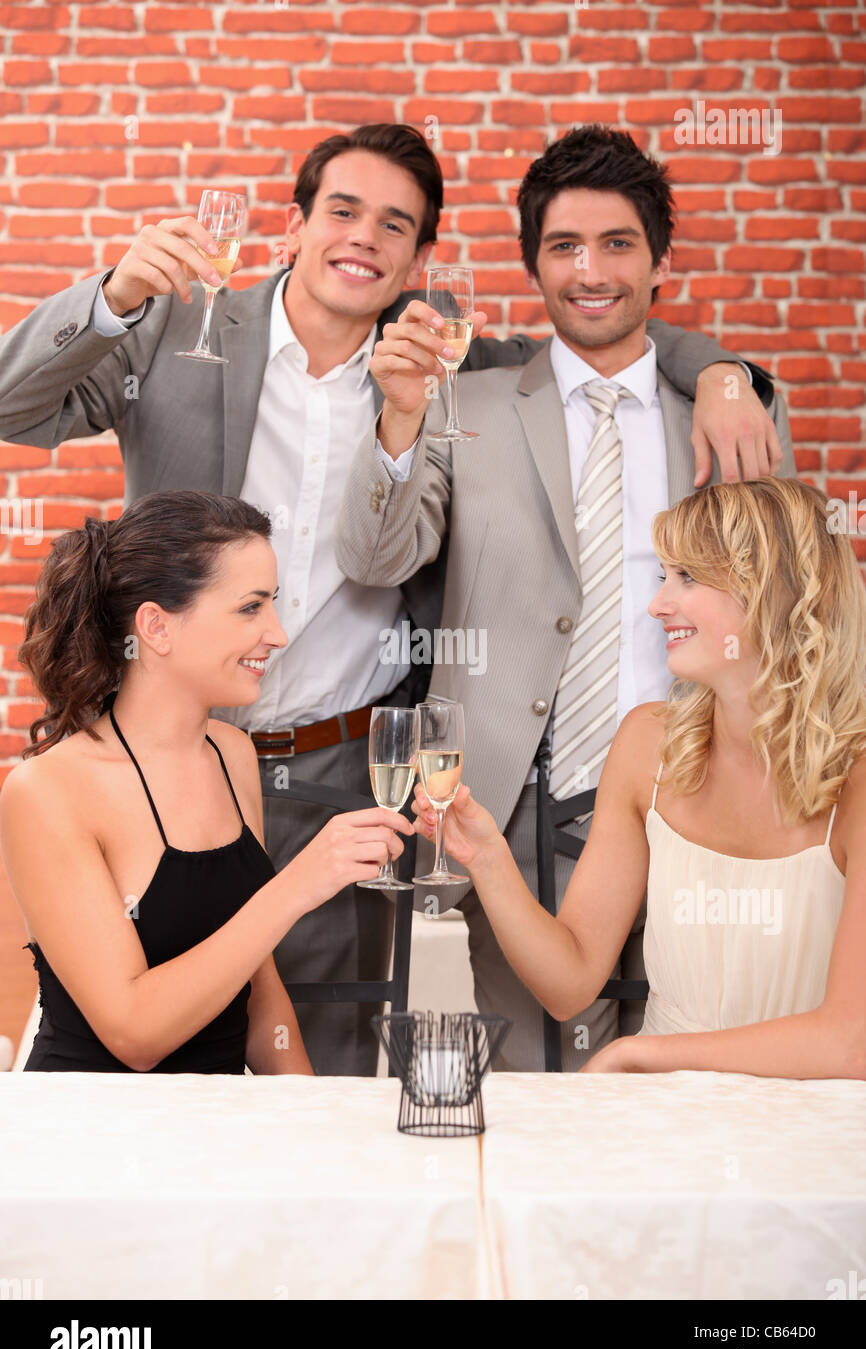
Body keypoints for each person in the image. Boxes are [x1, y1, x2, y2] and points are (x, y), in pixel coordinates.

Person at [0, 122, 785, 1075]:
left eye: (395, 224)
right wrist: (115, 296)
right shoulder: (177, 329)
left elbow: (600, 334)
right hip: (180, 753)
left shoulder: (445, 365)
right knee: (144, 1024)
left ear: (420, 259)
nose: (364, 238)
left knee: (321, 1055)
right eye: (342, 211)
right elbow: (11, 404)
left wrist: (724, 374)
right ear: (294, 225)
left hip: (346, 762)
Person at [336, 124, 797, 1072]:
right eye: (563, 247)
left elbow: (775, 601)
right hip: (513, 807)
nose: (590, 272)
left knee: (691, 1072)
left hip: (697, 796)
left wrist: (725, 372)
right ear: (533, 264)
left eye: (617, 244)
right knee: (536, 1100)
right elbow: (377, 559)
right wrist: (399, 420)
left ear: (660, 260)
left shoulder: (728, 413)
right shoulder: (464, 402)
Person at [411, 478, 866, 1081]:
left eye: (689, 578)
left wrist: (644, 1053)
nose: (657, 605)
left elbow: (849, 1045)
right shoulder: (649, 745)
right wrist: (488, 857)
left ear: (773, 593)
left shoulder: (857, 782)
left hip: (804, 1118)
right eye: (663, 577)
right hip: (665, 1113)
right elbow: (570, 983)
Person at [0, 492, 411, 1074]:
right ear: (156, 627)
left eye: (272, 605)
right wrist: (297, 886)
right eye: (250, 608)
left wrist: (310, 1112)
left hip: (219, 1118)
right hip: (95, 1122)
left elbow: (260, 991)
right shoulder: (47, 790)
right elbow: (134, 1034)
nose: (278, 634)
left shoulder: (232, 754)